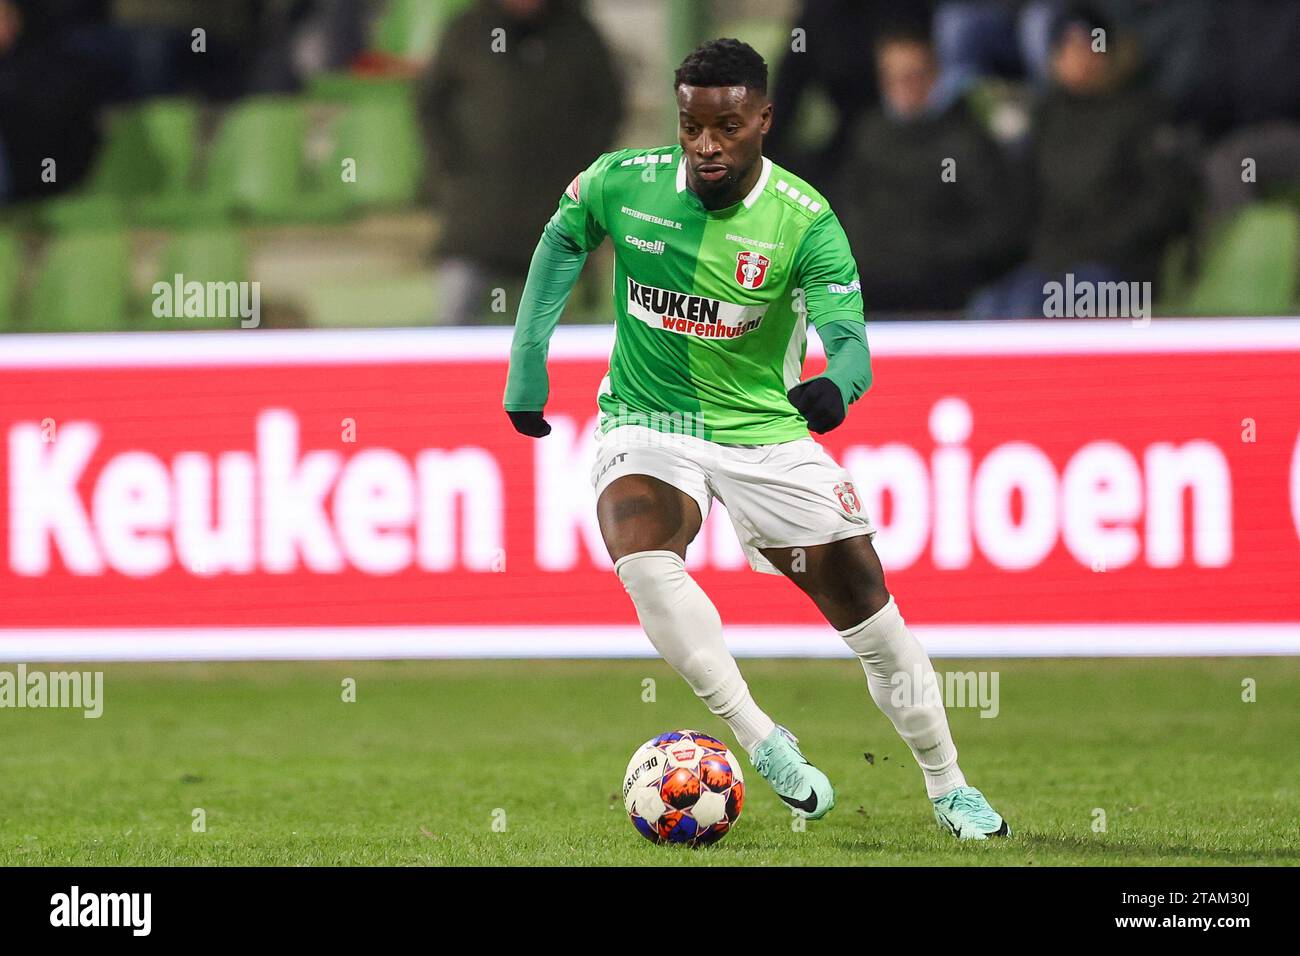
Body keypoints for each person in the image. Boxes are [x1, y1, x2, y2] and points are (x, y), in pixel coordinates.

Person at [504, 38, 1009, 839]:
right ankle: (761, 740)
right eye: (692, 126)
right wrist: (527, 363)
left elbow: (850, 340)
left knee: (871, 616)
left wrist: (836, 386)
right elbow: (562, 238)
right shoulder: (622, 183)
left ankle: (949, 786)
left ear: (764, 120)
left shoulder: (804, 222)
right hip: (648, 417)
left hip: (763, 434)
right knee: (640, 550)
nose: (706, 146)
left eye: (728, 127)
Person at [417, 0, 623, 325]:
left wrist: (582, 174)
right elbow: (431, 104)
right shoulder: (467, 31)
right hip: (474, 215)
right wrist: (452, 164)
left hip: (553, 214)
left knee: (552, 335)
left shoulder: (578, 35)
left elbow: (608, 107)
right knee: (454, 325)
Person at [835, 21, 1024, 312]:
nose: (902, 87)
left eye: (912, 75)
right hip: (873, 283)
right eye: (891, 77)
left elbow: (998, 229)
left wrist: (929, 254)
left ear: (935, 74)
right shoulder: (869, 135)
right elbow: (849, 211)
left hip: (945, 288)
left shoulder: (966, 141)